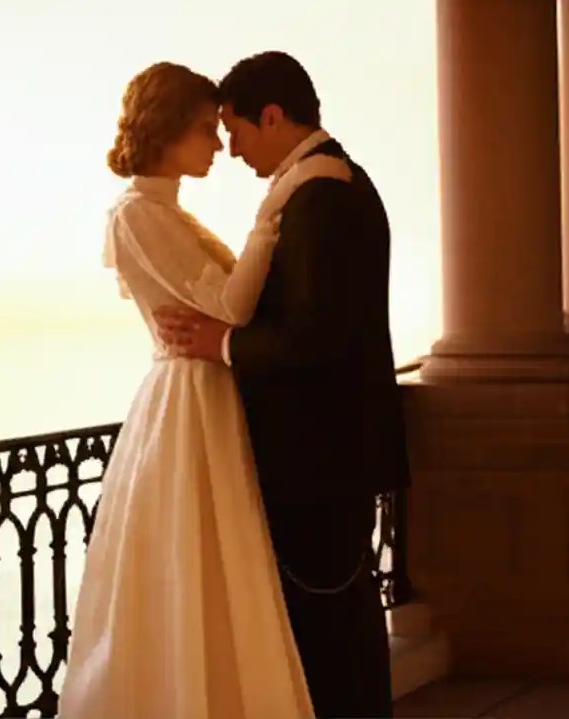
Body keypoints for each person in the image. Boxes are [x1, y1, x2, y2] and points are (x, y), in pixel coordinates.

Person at [58, 60, 353, 718]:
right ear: (165, 130)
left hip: (211, 394)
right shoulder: (137, 213)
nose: (218, 145)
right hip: (188, 400)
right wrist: (271, 213)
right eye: (202, 129)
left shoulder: (169, 214)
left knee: (222, 572)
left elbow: (231, 307)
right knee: (189, 566)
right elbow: (230, 302)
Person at [154, 51, 410, 718]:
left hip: (320, 456)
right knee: (336, 622)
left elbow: (319, 335)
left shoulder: (323, 195)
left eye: (236, 130)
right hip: (327, 452)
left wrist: (224, 343)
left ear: (272, 117)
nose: (232, 150)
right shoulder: (324, 185)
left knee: (331, 626)